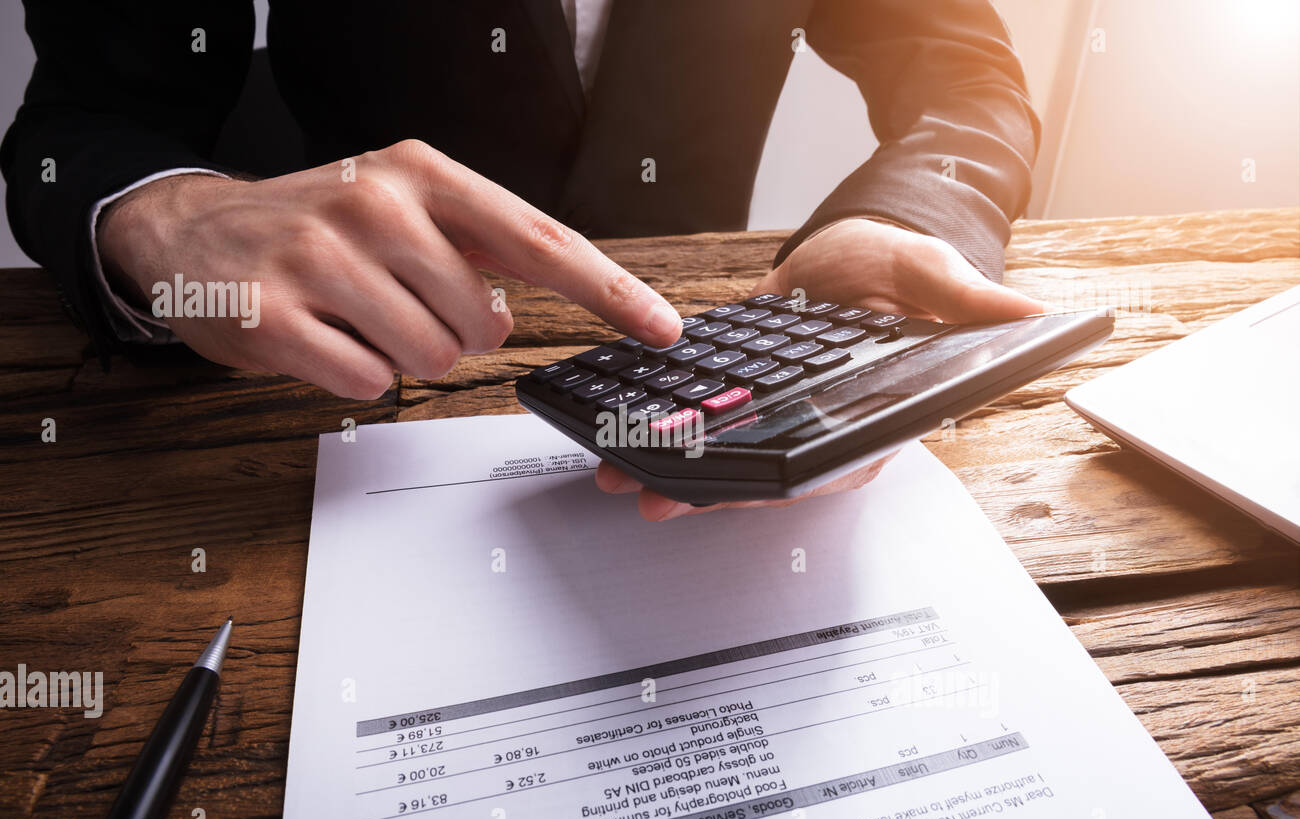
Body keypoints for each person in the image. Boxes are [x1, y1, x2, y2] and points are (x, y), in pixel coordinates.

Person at [2, 0, 1051, 519]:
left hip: (702, 360)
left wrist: (913, 215)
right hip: (320, 392)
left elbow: (964, 73)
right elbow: (87, 120)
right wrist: (169, 221)